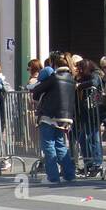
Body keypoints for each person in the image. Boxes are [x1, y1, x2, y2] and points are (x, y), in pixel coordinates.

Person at [31, 52, 77, 183]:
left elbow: (36, 91)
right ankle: (69, 174)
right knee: (61, 146)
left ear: (54, 64)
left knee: (49, 146)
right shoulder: (71, 79)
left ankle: (53, 177)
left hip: (49, 116)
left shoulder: (54, 77)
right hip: (65, 118)